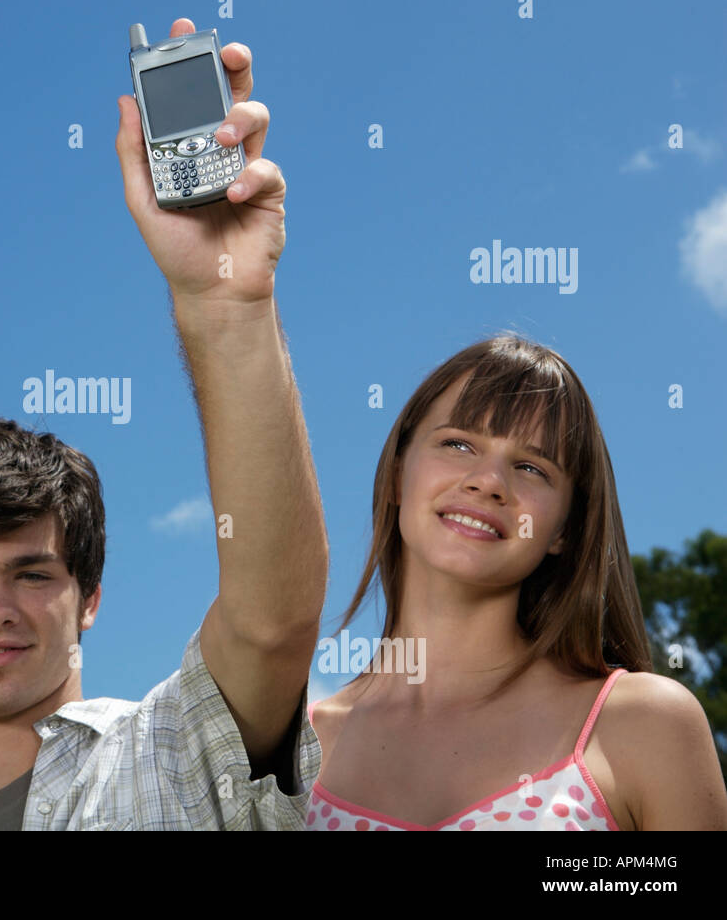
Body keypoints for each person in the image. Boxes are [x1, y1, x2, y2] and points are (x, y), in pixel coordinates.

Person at [0, 17, 328, 830]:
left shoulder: (173, 749)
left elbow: (273, 626)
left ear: (89, 597)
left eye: (33, 572)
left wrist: (225, 303)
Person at [305, 336, 727, 831]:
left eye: (530, 467)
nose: (488, 481)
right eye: (458, 444)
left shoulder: (644, 725)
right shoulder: (296, 754)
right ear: (399, 473)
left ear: (565, 531)